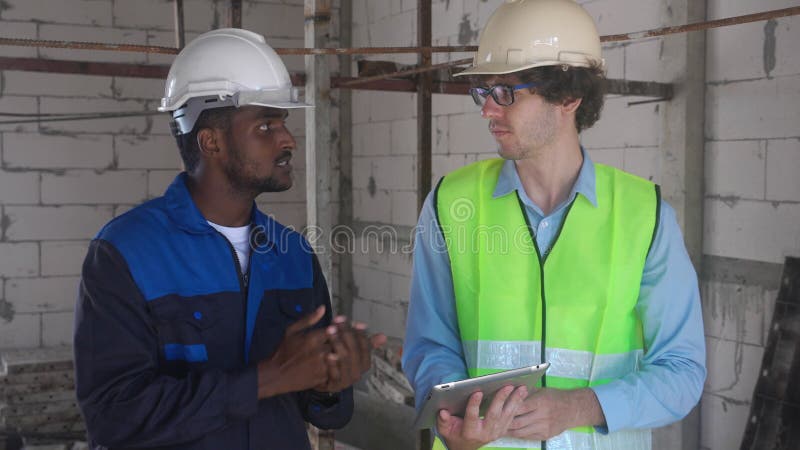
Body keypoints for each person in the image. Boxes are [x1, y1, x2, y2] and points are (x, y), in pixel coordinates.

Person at [401, 1, 706, 449]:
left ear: (568, 97)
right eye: (484, 91)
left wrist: (579, 407)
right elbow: (429, 345)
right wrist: (454, 420)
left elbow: (682, 371)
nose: (488, 110)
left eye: (507, 92)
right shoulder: (451, 203)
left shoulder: (646, 214)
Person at [74, 28, 385, 450]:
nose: (288, 139)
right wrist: (265, 379)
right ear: (211, 141)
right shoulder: (125, 253)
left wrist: (330, 383)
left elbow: (326, 413)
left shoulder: (293, 255)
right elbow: (113, 418)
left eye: (283, 123)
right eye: (265, 125)